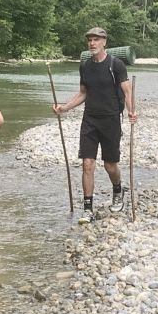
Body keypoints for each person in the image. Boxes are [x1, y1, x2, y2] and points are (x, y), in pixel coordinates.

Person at [51, 27, 136, 223]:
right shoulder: (85, 66)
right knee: (87, 164)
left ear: (104, 42)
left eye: (96, 39)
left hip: (111, 119)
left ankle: (118, 189)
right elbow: (83, 93)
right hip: (89, 119)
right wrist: (64, 108)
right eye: (89, 40)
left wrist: (132, 111)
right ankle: (87, 208)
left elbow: (127, 91)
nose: (92, 43)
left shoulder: (116, 65)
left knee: (109, 165)